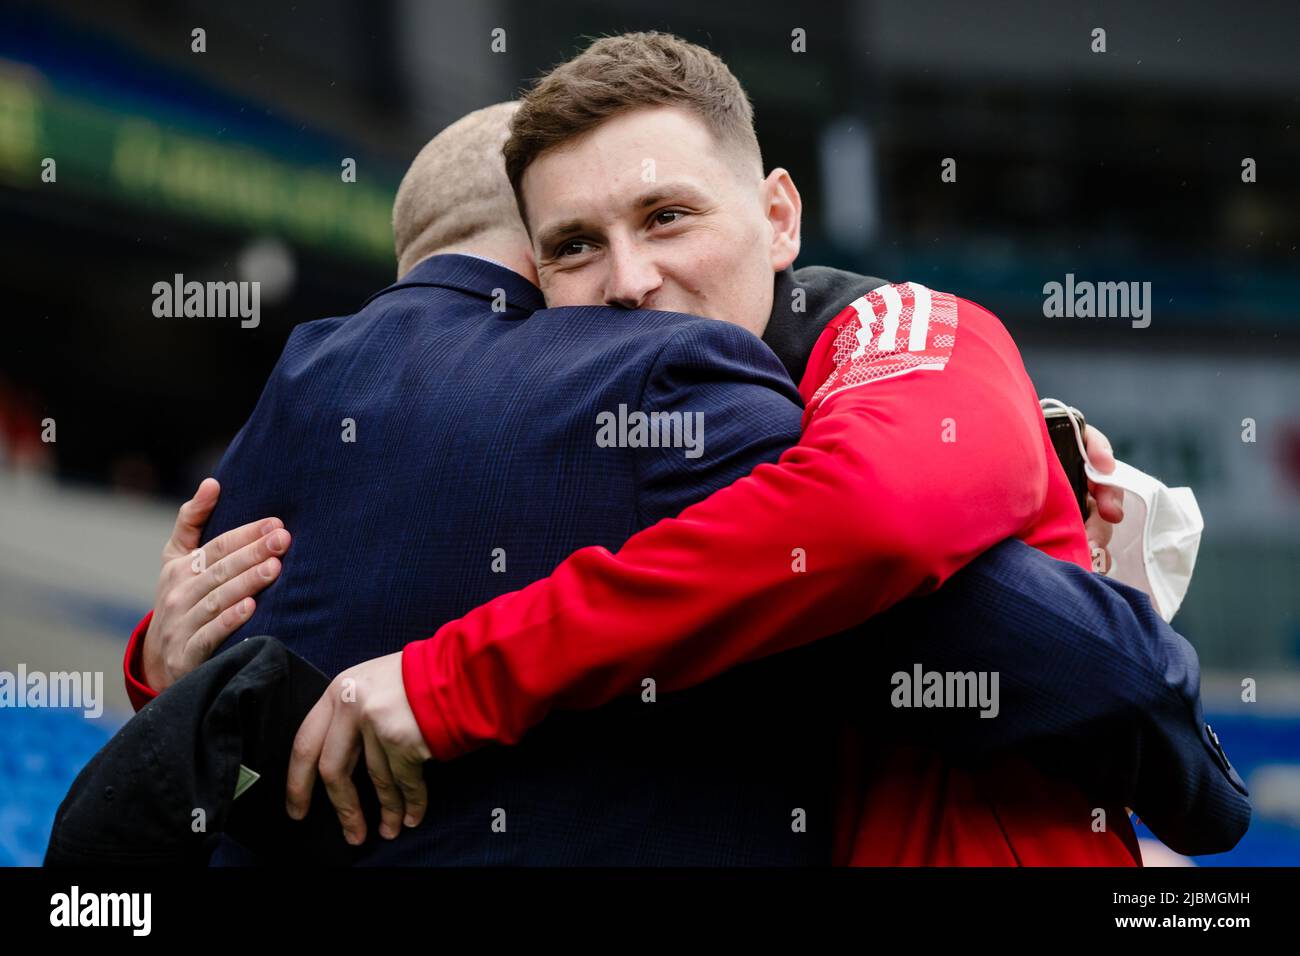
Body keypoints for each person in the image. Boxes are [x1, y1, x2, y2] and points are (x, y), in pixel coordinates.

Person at [125, 42, 1246, 864]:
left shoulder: (902, 332)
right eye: (576, 246)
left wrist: (449, 678)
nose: (627, 280)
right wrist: (167, 656)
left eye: (667, 217)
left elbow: (873, 525)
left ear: (779, 216)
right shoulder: (613, 415)